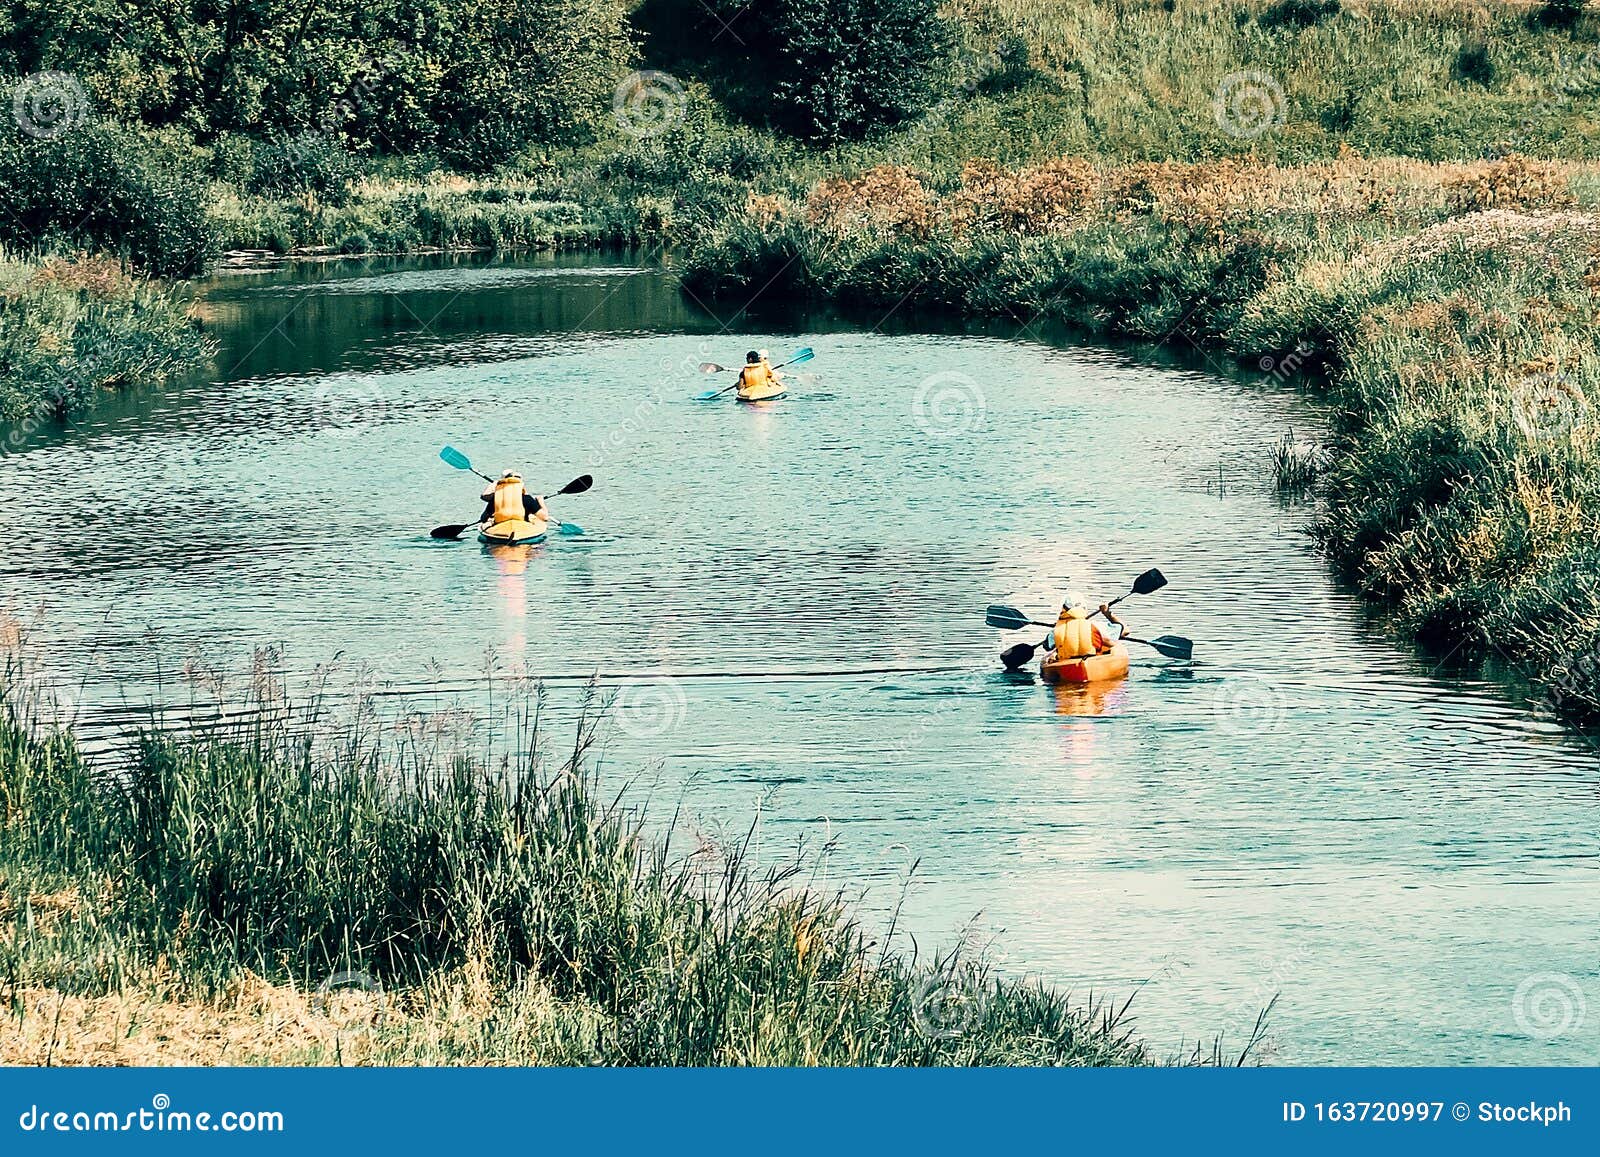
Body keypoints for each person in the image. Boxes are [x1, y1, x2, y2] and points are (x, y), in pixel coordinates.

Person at [1046, 595, 1125, 659]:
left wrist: (1059, 625)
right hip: (1092, 661)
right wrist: (1107, 613)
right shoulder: (1096, 626)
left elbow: (1047, 646)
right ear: (1084, 608)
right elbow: (1125, 630)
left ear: (1064, 609)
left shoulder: (1056, 630)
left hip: (1067, 665)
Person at [480, 470, 546, 527]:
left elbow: (483, 518)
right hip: (521, 528)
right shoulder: (527, 499)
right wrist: (540, 501)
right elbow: (544, 518)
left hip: (501, 528)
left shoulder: (496, 497)